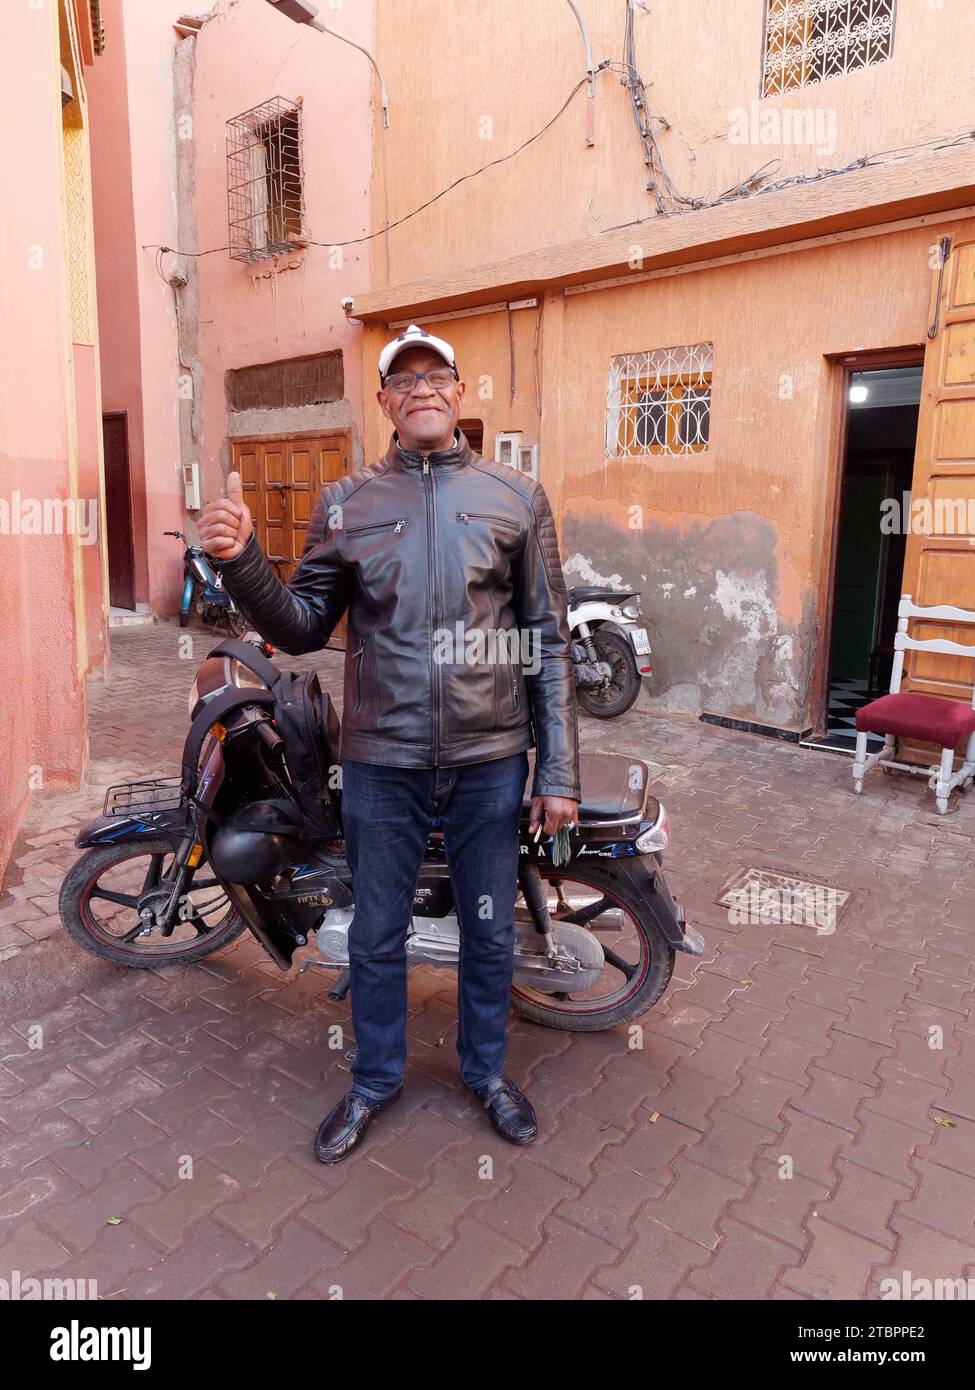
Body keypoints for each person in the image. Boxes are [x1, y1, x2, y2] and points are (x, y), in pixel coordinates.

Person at [198, 323, 580, 1163]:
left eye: (434, 375)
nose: (420, 390)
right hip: (381, 762)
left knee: (488, 928)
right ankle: (374, 1080)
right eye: (400, 381)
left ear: (459, 389)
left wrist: (555, 768)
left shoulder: (516, 497)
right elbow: (300, 629)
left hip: (488, 758)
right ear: (383, 403)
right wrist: (241, 562)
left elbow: (545, 640)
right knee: (376, 932)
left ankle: (485, 1074)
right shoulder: (347, 504)